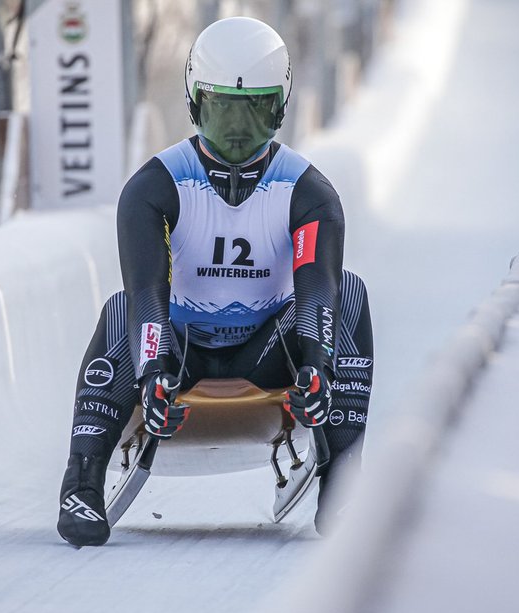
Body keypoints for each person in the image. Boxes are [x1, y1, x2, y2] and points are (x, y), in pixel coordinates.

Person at [57, 16, 374, 547]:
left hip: (269, 350)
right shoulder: (153, 188)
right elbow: (146, 291)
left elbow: (318, 286)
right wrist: (153, 371)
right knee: (119, 309)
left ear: (279, 109)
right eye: (222, 110)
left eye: (253, 112)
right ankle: (81, 482)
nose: (236, 132)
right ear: (196, 103)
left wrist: (316, 367)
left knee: (352, 292)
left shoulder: (308, 193)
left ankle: (343, 480)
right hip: (180, 352)